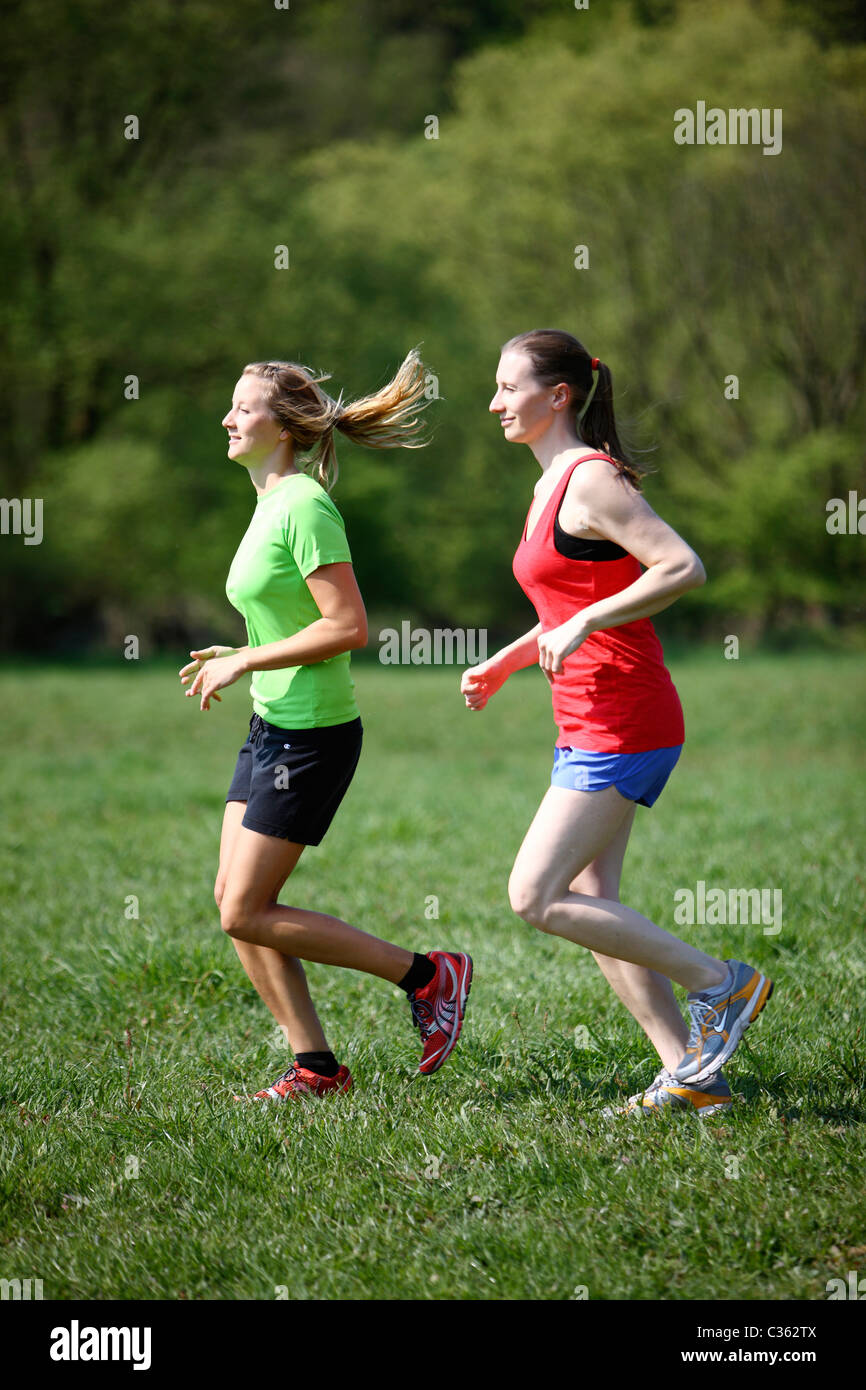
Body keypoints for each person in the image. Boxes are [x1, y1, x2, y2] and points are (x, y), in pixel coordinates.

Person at [460, 329, 772, 1117]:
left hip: (625, 716)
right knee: (599, 905)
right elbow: (567, 604)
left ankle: (721, 983)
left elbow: (682, 566)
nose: (494, 402)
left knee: (534, 895)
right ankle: (692, 1076)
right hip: (585, 713)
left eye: (508, 387)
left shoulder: (591, 481)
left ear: (558, 395)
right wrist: (510, 659)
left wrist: (584, 625)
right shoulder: (548, 484)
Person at [180, 350, 471, 1100]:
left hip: (310, 737)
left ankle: (428, 975)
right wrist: (245, 651)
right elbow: (294, 618)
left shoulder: (305, 506)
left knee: (247, 908)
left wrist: (247, 661)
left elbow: (347, 626)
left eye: (242, 407)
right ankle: (315, 1068)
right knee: (235, 908)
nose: (227, 418)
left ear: (281, 427)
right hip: (271, 727)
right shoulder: (269, 502)